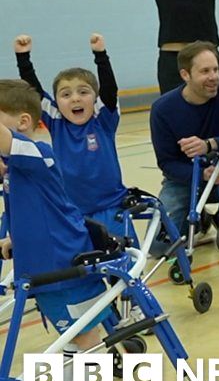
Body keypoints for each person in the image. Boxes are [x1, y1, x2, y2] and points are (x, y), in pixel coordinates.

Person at [0, 79, 110, 381]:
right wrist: (13, 238)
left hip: (66, 263)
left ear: (22, 123)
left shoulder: (37, 152)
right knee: (66, 335)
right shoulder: (12, 167)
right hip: (39, 269)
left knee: (85, 336)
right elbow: (29, 208)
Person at [13, 34, 135, 241]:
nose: (75, 98)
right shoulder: (56, 121)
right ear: (56, 102)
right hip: (73, 212)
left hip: (111, 207)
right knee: (84, 260)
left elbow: (109, 89)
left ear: (95, 99)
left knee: (125, 258)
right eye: (66, 94)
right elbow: (34, 91)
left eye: (83, 92)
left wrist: (100, 55)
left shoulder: (102, 120)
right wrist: (23, 58)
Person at [149, 41, 219, 254]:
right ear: (185, 75)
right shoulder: (163, 109)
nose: (213, 77)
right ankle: (200, 218)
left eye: (215, 69)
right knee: (159, 247)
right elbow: (166, 162)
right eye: (205, 71)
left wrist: (210, 144)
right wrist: (202, 174)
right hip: (184, 179)